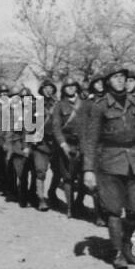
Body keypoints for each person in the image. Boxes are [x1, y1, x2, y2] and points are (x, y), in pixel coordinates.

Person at [81, 66, 135, 269]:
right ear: (108, 81)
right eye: (115, 77)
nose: (120, 81)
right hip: (109, 162)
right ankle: (117, 252)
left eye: (123, 77)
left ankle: (128, 244)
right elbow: (91, 140)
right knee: (113, 210)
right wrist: (88, 169)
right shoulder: (99, 106)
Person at [50, 80, 92, 218]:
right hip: (68, 145)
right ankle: (70, 207)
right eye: (67, 87)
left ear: (77, 88)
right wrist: (63, 145)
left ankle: (79, 201)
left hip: (84, 144)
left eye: (73, 86)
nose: (70, 89)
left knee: (84, 176)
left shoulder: (86, 104)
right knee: (68, 178)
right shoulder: (59, 105)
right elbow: (56, 127)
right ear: (63, 89)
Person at [29, 81, 60, 211]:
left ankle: (52, 192)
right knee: (40, 171)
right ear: (41, 90)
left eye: (51, 88)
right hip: (41, 144)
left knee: (59, 172)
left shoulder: (58, 105)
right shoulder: (35, 105)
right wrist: (31, 141)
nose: (48, 90)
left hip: (57, 143)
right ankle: (41, 198)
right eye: (46, 88)